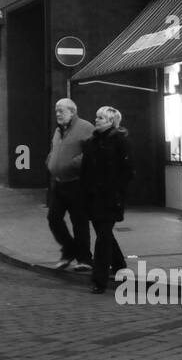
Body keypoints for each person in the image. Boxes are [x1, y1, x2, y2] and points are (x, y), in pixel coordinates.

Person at [84, 105, 133, 294]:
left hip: (111, 198)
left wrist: (118, 193)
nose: (96, 120)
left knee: (102, 237)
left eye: (101, 118)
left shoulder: (120, 141)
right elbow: (86, 171)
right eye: (96, 117)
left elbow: (127, 170)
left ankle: (99, 279)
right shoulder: (91, 142)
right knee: (104, 233)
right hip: (94, 197)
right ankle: (120, 265)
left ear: (111, 121)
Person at [45, 98, 95, 272]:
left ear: (72, 111)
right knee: (53, 218)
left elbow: (91, 153)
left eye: (61, 110)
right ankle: (69, 249)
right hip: (59, 183)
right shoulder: (58, 131)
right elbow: (54, 150)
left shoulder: (86, 128)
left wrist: (74, 164)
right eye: (56, 110)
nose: (57, 114)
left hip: (77, 183)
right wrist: (51, 161)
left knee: (79, 222)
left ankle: (84, 259)